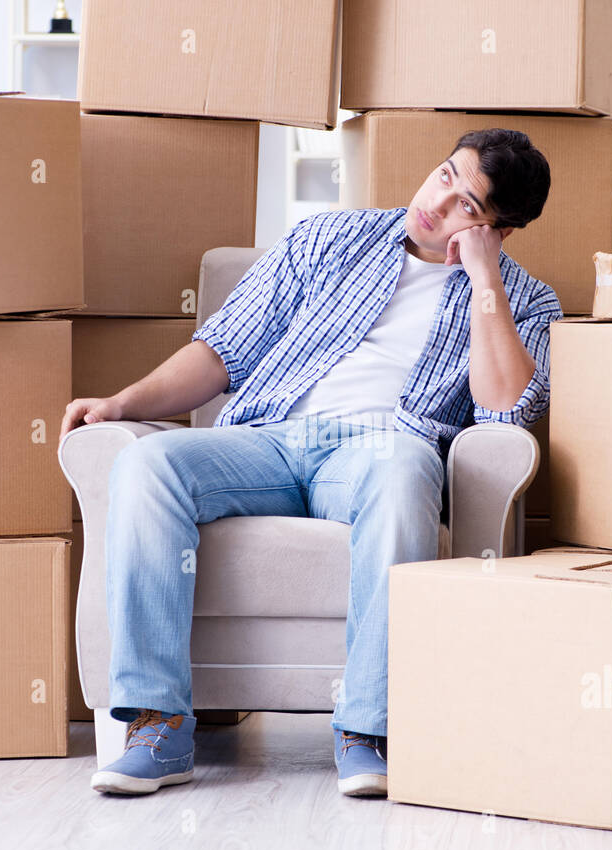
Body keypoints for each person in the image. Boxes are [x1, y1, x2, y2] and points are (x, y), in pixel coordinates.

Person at [59, 128, 559, 798]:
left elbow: (503, 412)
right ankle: (159, 724)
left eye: (466, 205)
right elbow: (222, 353)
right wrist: (123, 400)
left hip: (379, 452)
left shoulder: (526, 300)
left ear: (500, 229)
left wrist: (484, 278)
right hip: (269, 436)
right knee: (148, 464)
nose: (437, 203)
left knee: (407, 468)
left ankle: (365, 729)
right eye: (443, 175)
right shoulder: (327, 238)